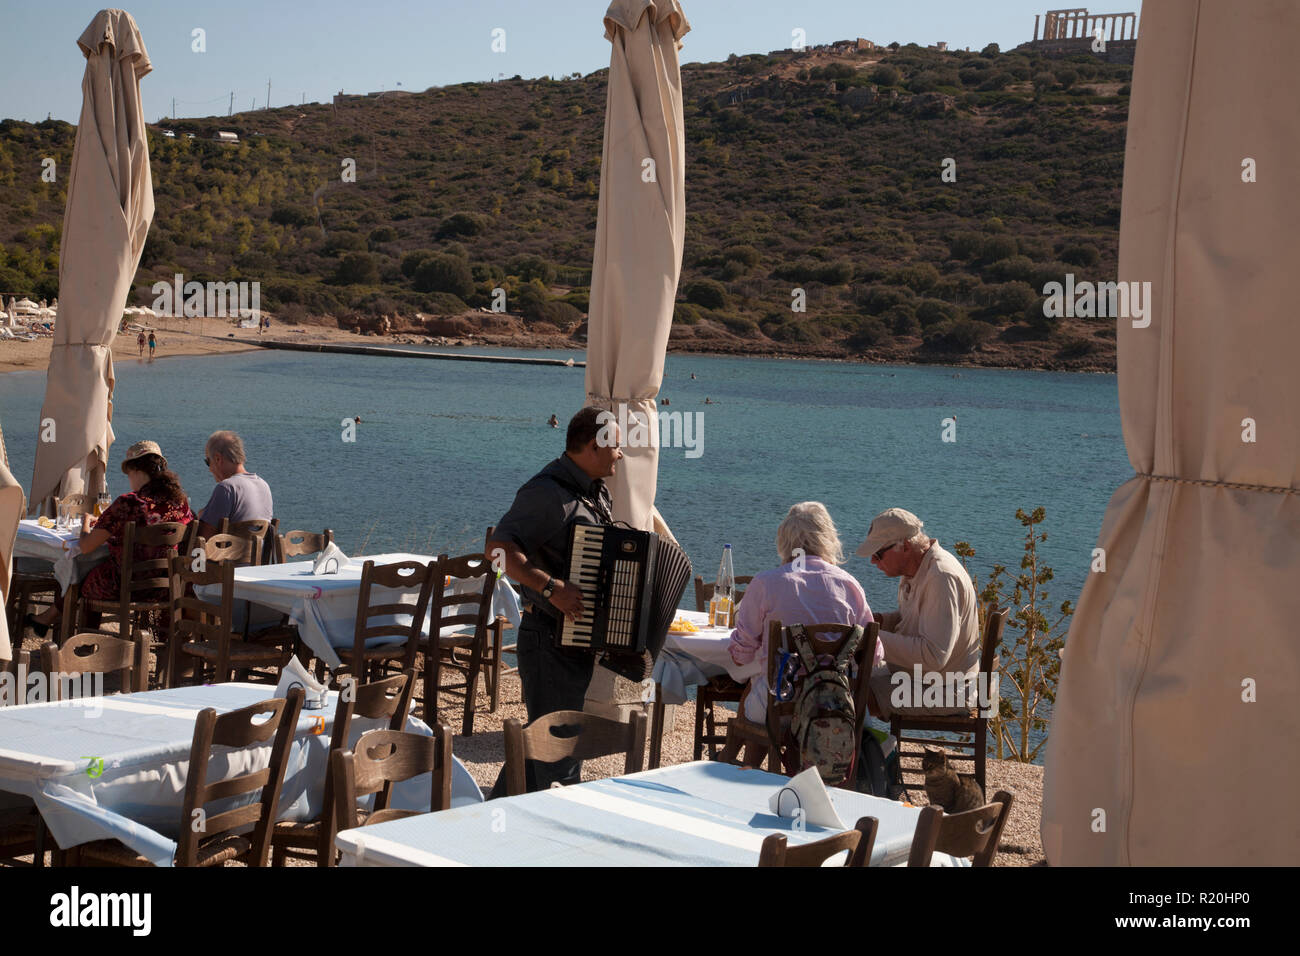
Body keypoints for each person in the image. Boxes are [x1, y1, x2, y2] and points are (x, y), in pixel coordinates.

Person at [487, 407, 622, 795]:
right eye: (617, 445)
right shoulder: (547, 493)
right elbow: (496, 551)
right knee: (555, 752)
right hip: (547, 641)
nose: (622, 454)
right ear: (596, 445)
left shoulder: (595, 492)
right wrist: (550, 588)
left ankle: (486, 825)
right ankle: (490, 828)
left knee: (550, 751)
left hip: (573, 643)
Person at [728, 502, 878, 722]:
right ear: (829, 539)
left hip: (784, 704)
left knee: (757, 690)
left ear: (784, 539)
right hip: (839, 708)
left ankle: (734, 755)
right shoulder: (849, 584)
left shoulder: (766, 583)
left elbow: (741, 657)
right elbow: (873, 656)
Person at [25, 442, 193, 637]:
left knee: (81, 575)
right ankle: (48, 620)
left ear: (135, 469)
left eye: (128, 474)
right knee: (93, 569)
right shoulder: (179, 502)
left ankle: (85, 643)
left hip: (124, 585)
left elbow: (86, 546)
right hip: (163, 586)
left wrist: (87, 521)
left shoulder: (129, 502)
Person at [856, 507, 980, 718]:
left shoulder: (941, 577)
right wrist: (879, 621)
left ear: (904, 547)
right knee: (844, 681)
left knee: (849, 694)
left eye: (878, 554)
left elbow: (933, 655)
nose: (873, 561)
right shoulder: (917, 569)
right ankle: (864, 748)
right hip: (929, 681)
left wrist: (866, 637)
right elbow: (918, 617)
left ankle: (861, 750)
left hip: (946, 692)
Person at [194, 431, 274, 552]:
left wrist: (200, 517)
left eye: (208, 462)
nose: (209, 469)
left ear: (217, 459)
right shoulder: (264, 486)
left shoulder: (226, 488)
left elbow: (203, 539)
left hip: (228, 568)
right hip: (257, 567)